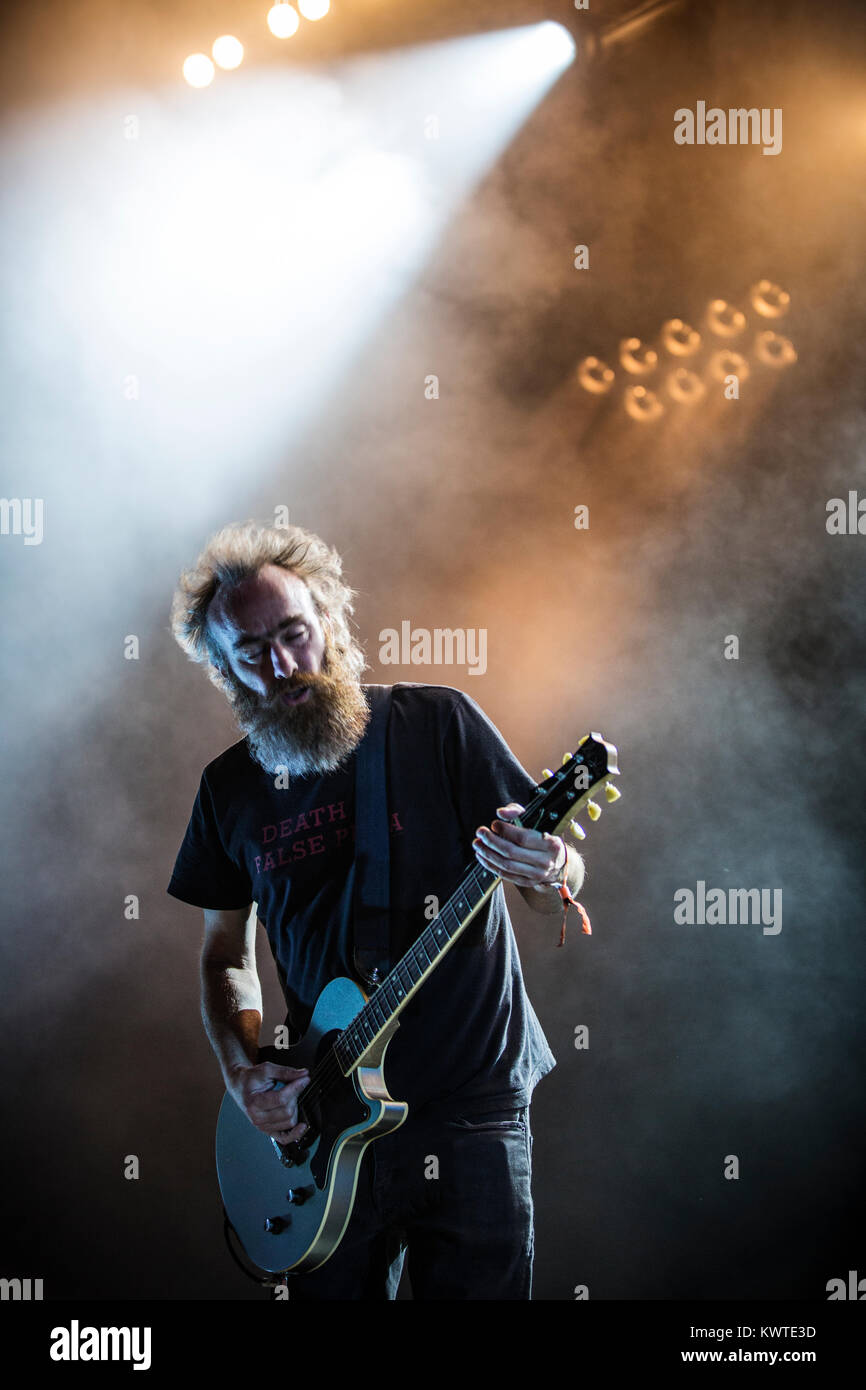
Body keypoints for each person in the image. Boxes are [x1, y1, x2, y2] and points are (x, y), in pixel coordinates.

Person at [166, 519, 585, 1300]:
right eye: (251, 653)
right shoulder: (228, 791)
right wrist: (241, 1077)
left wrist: (554, 861)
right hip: (324, 1125)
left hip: (470, 1109)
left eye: (295, 632)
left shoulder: (435, 723)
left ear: (329, 619)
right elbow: (226, 953)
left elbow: (543, 874)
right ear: (222, 669)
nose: (284, 665)